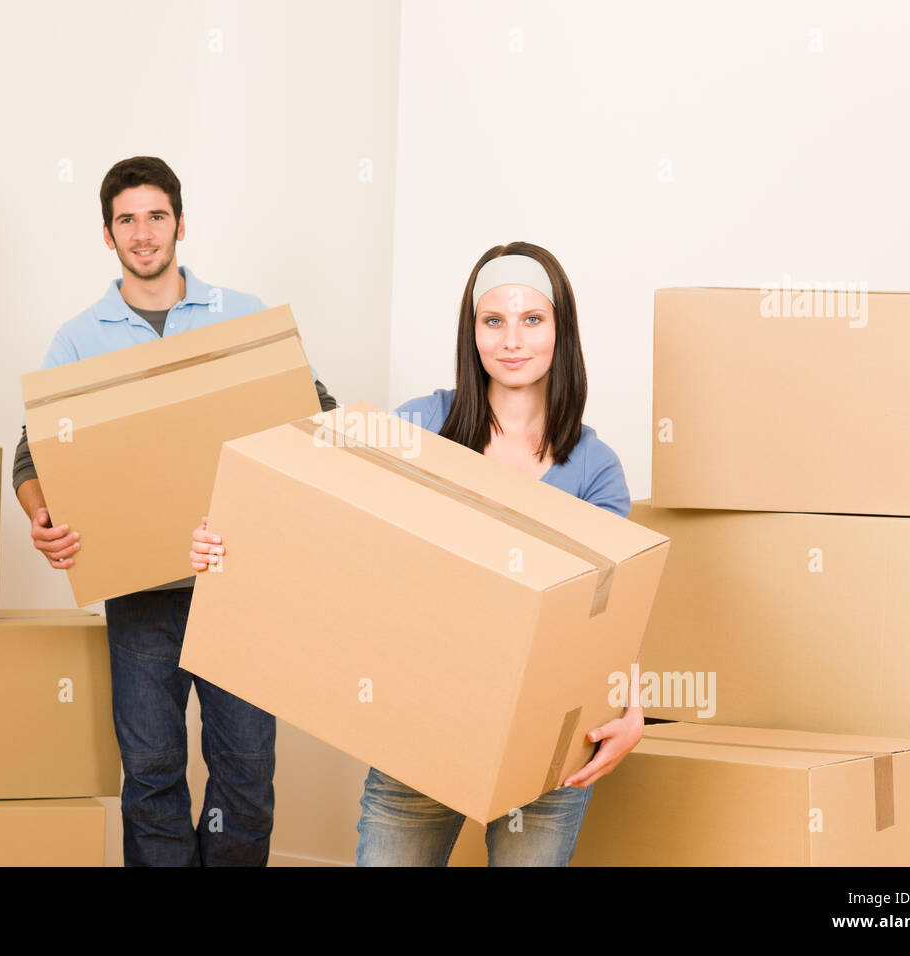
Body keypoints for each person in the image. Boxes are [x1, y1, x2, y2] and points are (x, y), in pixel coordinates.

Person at [189, 241, 643, 867]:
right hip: (421, 735)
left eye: (532, 320)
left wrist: (634, 711)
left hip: (539, 757)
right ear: (472, 331)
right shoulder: (421, 427)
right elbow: (324, 517)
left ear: (561, 331)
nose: (512, 339)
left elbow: (613, 617)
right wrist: (230, 543)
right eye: (494, 321)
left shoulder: (594, 468)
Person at [13, 156, 337, 866]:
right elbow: (31, 457)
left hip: (239, 585)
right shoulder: (78, 339)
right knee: (153, 777)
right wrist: (43, 521)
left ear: (181, 224)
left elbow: (318, 415)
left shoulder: (241, 316)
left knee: (246, 777)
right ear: (108, 236)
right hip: (140, 597)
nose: (143, 232)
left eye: (156, 216)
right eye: (126, 219)